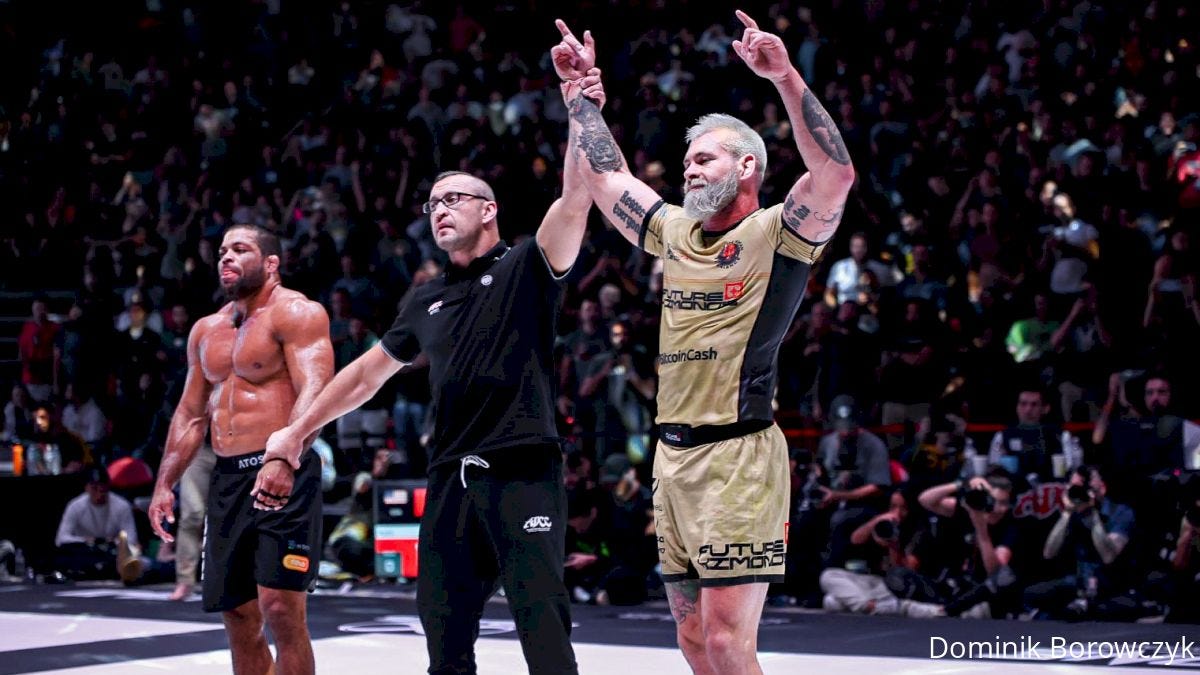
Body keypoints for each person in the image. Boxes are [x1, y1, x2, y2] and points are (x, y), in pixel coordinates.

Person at [259, 76, 603, 672]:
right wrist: (296, 432)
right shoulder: (426, 299)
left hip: (522, 467)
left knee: (542, 627)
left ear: (489, 210)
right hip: (449, 477)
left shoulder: (526, 265)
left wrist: (582, 107)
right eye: (433, 204)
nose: (439, 210)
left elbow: (575, 196)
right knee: (443, 632)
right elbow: (365, 376)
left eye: (453, 199)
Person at [553, 11, 854, 673]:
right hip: (673, 459)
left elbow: (835, 175)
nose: (688, 170)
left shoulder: (779, 233)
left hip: (738, 455)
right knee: (692, 640)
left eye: (704, 158)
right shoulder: (675, 233)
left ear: (746, 165)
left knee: (725, 642)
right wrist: (580, 97)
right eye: (687, 161)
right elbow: (606, 179)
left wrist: (784, 77)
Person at [147, 223, 335, 675]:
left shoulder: (297, 313)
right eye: (222, 251)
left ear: (271, 263)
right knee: (237, 613)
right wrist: (165, 483)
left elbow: (317, 390)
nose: (226, 258)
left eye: (240, 249)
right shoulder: (206, 330)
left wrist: (283, 457)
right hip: (228, 477)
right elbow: (191, 413)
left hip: (283, 471)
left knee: (281, 609)